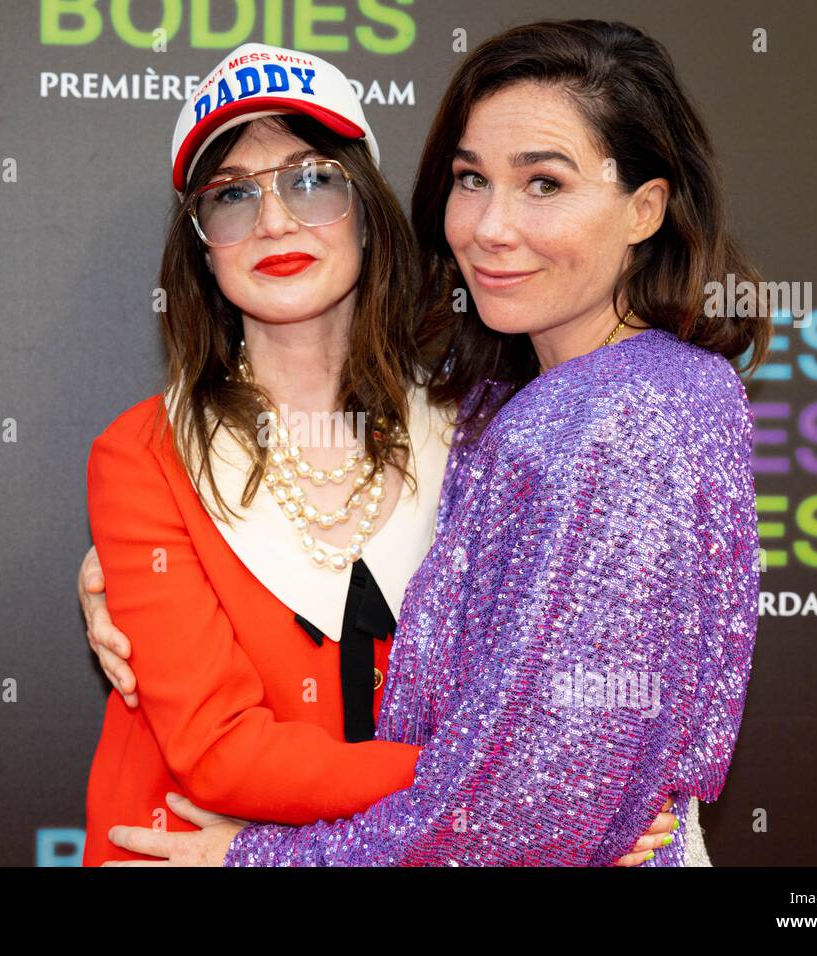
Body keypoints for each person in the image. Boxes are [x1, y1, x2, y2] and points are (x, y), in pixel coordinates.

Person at [91, 19, 768, 866]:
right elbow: (531, 780)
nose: (272, 221)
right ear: (198, 245)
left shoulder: (559, 414)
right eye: (230, 195)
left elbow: (548, 786)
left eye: (312, 181)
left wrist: (541, 791)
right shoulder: (492, 403)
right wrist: (120, 572)